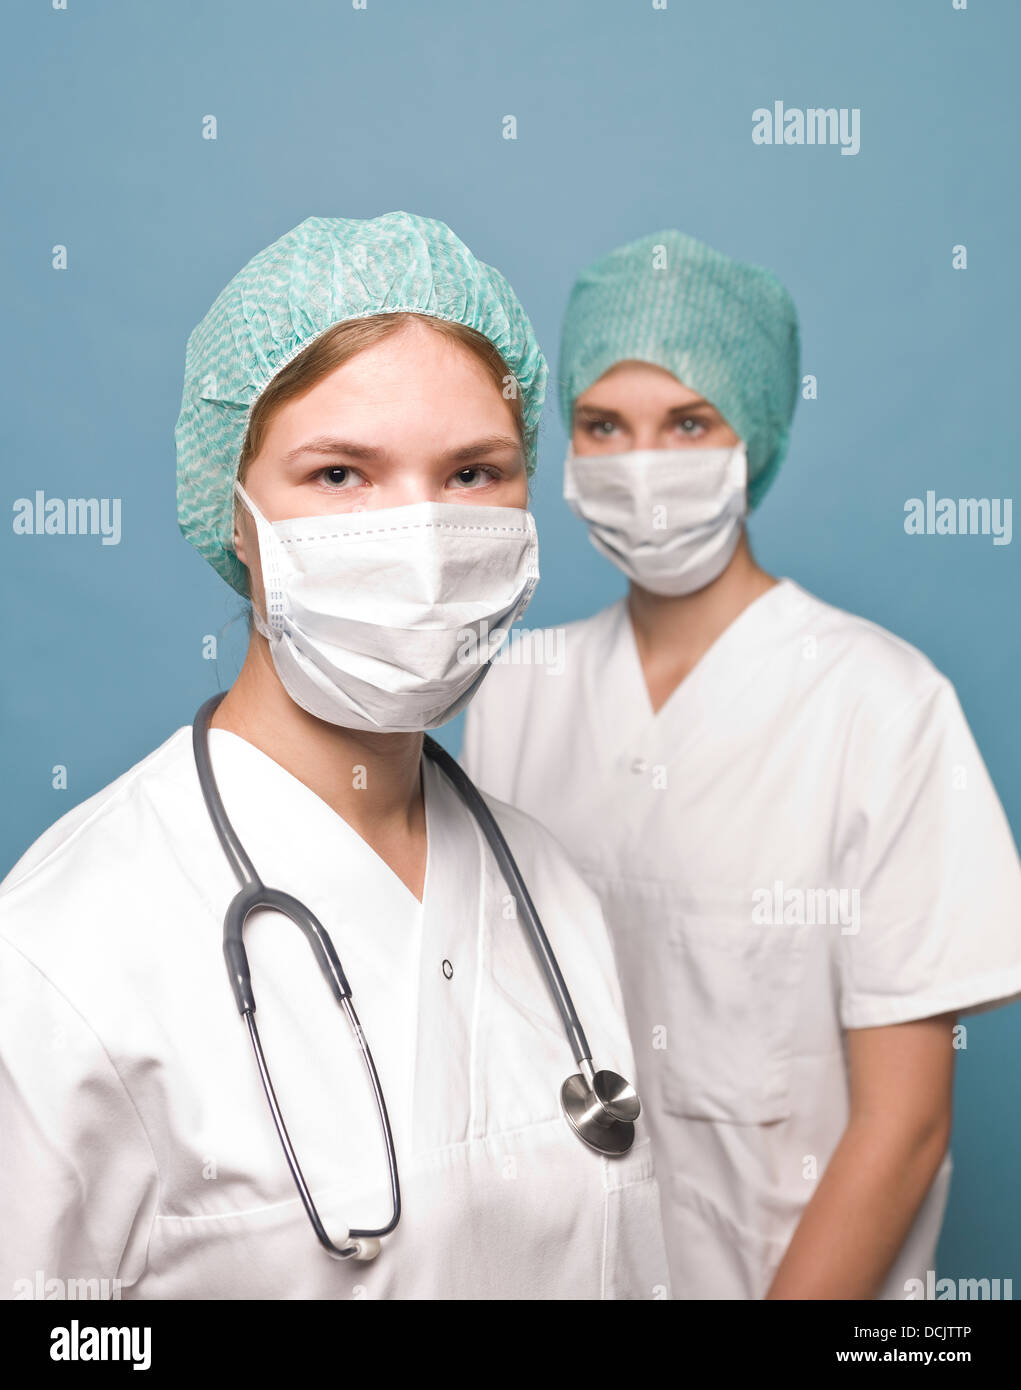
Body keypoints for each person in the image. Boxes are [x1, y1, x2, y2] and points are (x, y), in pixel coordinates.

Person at [0, 213, 670, 1301]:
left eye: (471, 472)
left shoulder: (552, 892)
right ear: (237, 513)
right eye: (341, 475)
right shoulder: (61, 955)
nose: (416, 538)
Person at [461, 228, 1021, 1300]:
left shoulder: (881, 706)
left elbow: (903, 1126)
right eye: (601, 425)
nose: (641, 463)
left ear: (749, 433)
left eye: (686, 421)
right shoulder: (516, 692)